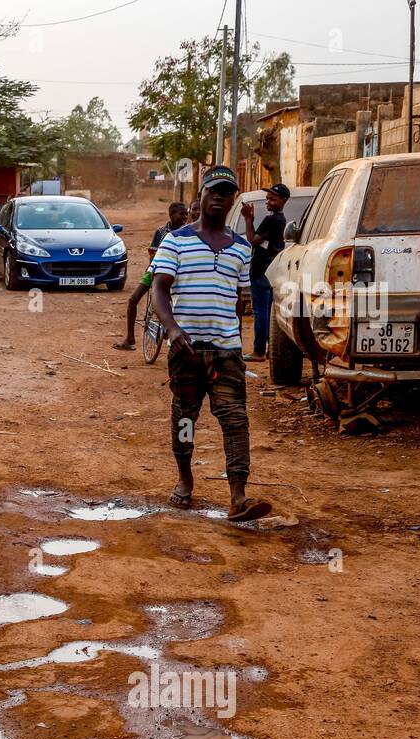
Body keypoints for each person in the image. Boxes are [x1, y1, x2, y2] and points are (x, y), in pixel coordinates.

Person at [150, 165, 272, 523]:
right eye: (214, 191)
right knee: (185, 419)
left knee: (235, 421)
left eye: (227, 193)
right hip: (186, 351)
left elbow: (239, 297)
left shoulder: (240, 248)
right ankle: (185, 479)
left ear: (233, 200)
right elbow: (159, 288)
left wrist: (231, 329)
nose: (220, 198)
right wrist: (172, 329)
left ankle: (239, 496)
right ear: (201, 195)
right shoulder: (176, 240)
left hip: (227, 352)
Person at [115, 201, 188, 350]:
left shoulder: (188, 233)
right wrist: (153, 271)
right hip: (154, 271)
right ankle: (130, 338)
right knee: (133, 299)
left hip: (177, 274)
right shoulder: (161, 232)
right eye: (182, 214)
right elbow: (152, 254)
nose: (185, 217)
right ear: (172, 215)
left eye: (186, 214)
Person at [240, 183, 291, 361]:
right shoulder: (279, 219)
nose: (268, 201)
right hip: (270, 270)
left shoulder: (273, 220)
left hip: (261, 270)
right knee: (268, 311)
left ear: (283, 200)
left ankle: (259, 351)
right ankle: (269, 349)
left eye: (273, 199)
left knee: (260, 311)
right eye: (267, 198)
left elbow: (253, 239)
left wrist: (248, 219)